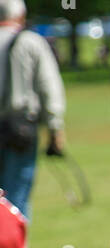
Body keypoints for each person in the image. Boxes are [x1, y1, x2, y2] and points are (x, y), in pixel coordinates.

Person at [0, 0, 66, 221]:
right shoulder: (31, 42)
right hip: (21, 127)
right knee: (16, 193)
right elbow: (49, 86)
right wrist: (55, 127)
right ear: (21, 15)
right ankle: (13, 247)